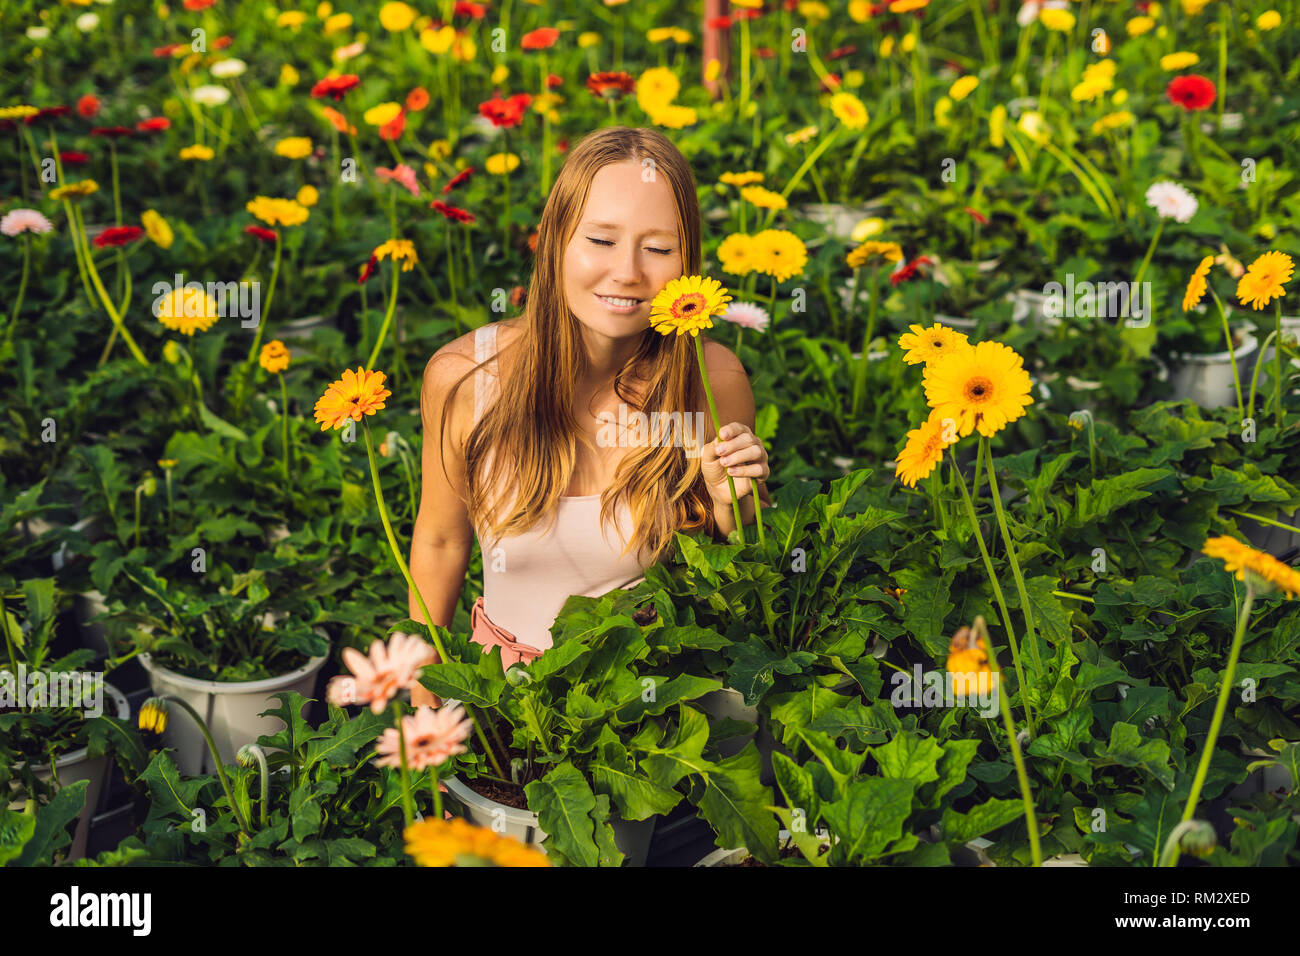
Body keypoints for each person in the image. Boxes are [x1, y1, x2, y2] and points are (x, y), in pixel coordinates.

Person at [408, 126, 770, 703]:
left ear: (688, 261)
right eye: (601, 240)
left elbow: (740, 576)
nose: (627, 272)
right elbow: (440, 541)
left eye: (657, 249)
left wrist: (736, 505)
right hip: (508, 716)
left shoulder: (711, 381)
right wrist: (424, 708)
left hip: (655, 713)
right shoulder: (464, 378)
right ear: (554, 242)